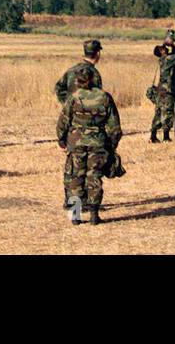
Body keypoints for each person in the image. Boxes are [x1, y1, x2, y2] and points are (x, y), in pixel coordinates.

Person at [57, 69, 122, 225]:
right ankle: (94, 214)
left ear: (77, 81)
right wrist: (111, 146)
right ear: (93, 79)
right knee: (94, 177)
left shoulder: (73, 98)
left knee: (75, 177)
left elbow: (63, 121)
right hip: (98, 143)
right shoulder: (104, 97)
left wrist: (61, 139)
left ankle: (76, 216)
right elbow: (115, 127)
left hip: (76, 143)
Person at [54, 39, 103, 104]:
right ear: (98, 53)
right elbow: (98, 97)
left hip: (71, 112)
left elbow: (59, 87)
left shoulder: (71, 70)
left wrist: (67, 104)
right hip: (88, 112)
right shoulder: (94, 73)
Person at [149, 43, 175, 143]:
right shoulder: (167, 60)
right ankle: (166, 137)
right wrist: (174, 45)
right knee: (168, 112)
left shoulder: (162, 61)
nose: (165, 48)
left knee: (158, 113)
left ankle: (153, 136)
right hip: (167, 91)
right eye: (163, 48)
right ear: (161, 52)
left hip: (160, 91)